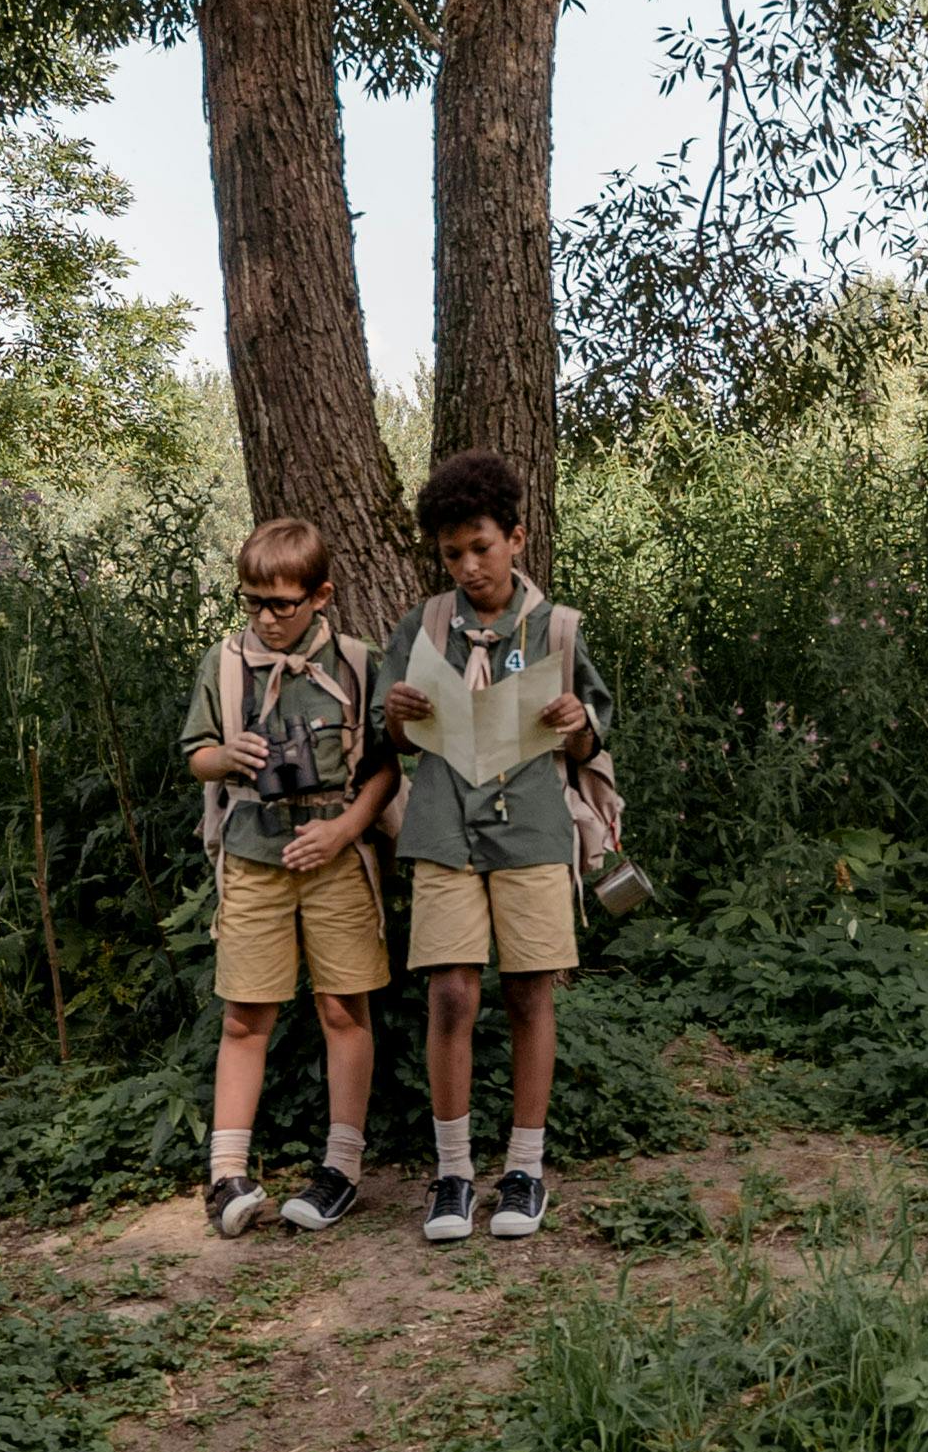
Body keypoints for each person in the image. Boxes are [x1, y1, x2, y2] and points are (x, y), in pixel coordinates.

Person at [377, 449, 609, 1244]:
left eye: (481, 546)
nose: (469, 566)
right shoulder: (425, 625)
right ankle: (451, 1172)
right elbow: (396, 735)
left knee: (530, 991)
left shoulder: (557, 628)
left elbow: (591, 738)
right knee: (450, 992)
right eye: (452, 554)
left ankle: (525, 1167)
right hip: (445, 825)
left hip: (533, 828)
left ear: (516, 537)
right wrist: (401, 712)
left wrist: (578, 725)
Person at [181, 516, 399, 1236]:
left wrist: (344, 829)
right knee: (246, 1011)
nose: (266, 618)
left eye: (281, 603)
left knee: (344, 1008)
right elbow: (196, 754)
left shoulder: (358, 664)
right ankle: (227, 1174)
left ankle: (341, 1168)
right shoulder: (225, 662)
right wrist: (227, 755)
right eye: (252, 601)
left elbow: (385, 769)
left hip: (335, 856)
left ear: (321, 595)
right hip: (253, 854)